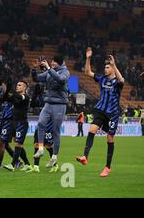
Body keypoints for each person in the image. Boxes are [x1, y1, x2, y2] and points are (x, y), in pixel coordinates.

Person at [76, 48, 124, 177]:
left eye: (108, 67)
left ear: (113, 69)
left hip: (112, 113)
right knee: (91, 130)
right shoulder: (102, 79)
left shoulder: (117, 82)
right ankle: (85, 157)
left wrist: (114, 65)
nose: (105, 69)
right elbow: (87, 72)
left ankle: (107, 167)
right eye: (106, 67)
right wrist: (88, 58)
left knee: (109, 138)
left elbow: (122, 81)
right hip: (100, 110)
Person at [32, 55, 70, 170]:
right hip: (48, 103)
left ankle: (54, 156)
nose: (52, 63)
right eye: (51, 62)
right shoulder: (50, 72)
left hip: (60, 104)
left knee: (55, 131)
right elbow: (37, 78)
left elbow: (61, 79)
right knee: (40, 124)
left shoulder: (65, 72)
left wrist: (49, 68)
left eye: (54, 62)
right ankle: (40, 149)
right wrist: (34, 69)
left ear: (59, 63)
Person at [2, 80, 32, 172]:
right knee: (18, 145)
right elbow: (7, 98)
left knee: (18, 144)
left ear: (24, 88)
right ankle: (27, 164)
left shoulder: (26, 97)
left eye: (19, 85)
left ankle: (12, 165)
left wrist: (10, 89)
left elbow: (17, 97)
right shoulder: (17, 97)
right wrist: (7, 90)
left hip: (22, 123)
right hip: (14, 123)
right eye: (17, 85)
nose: (17, 86)